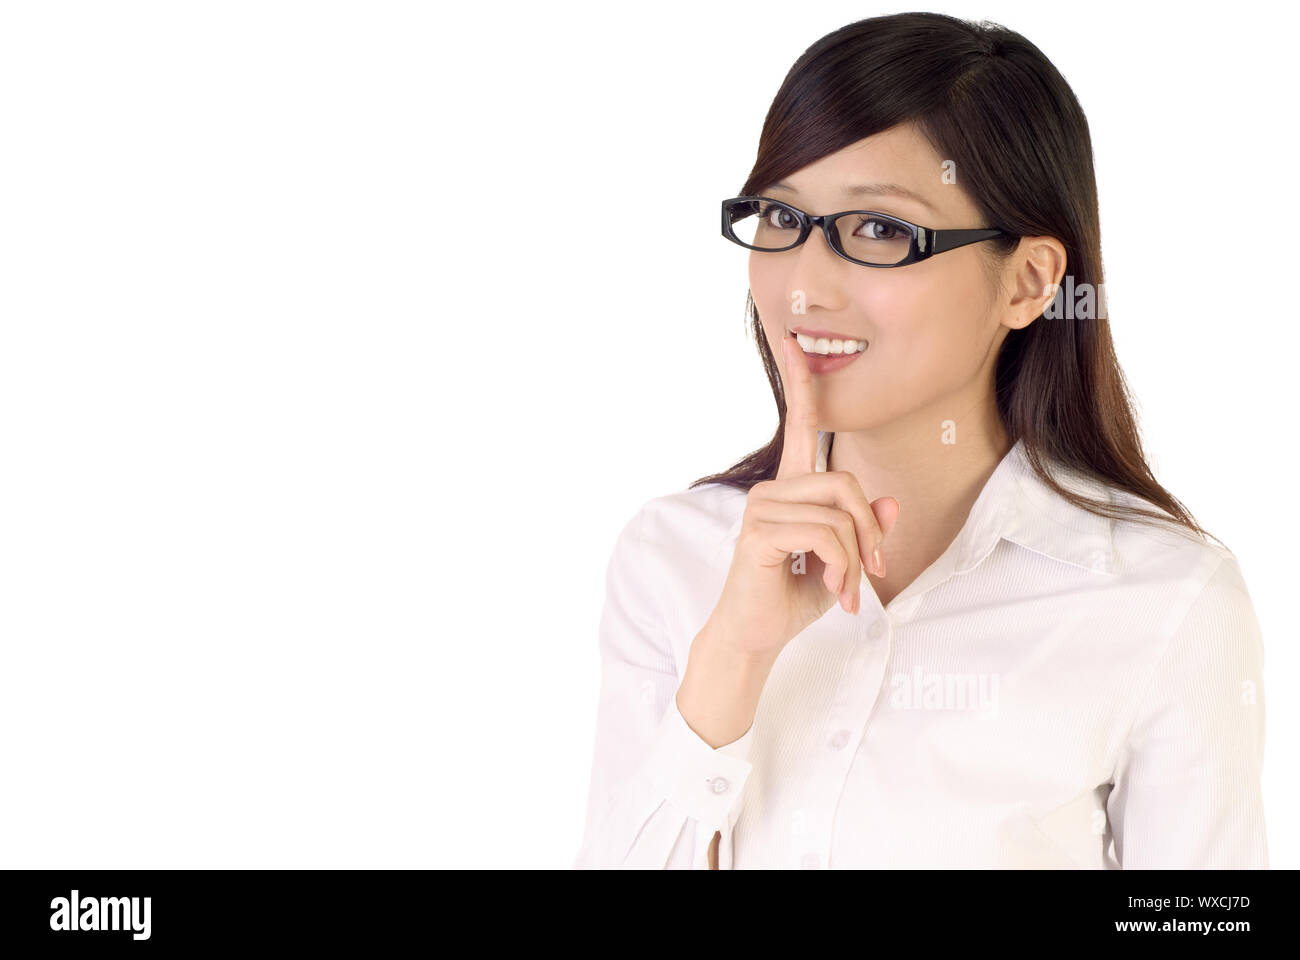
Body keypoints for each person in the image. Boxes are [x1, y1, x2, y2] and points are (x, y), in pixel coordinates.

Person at [573, 12, 1267, 869]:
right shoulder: (672, 556)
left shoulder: (1164, 600)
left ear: (1028, 282)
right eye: (782, 218)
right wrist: (736, 654)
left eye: (878, 230)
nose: (805, 286)